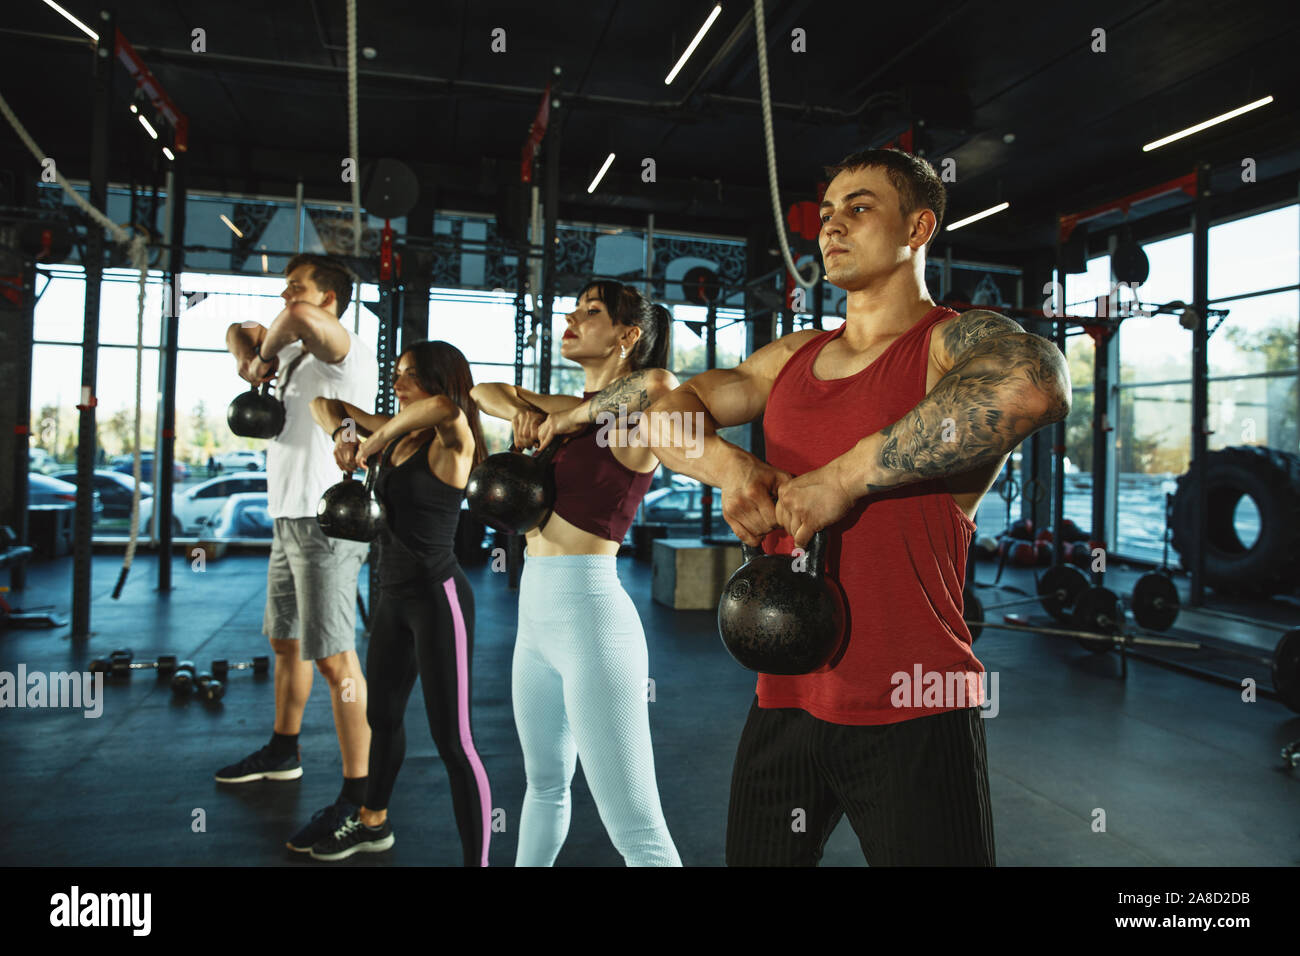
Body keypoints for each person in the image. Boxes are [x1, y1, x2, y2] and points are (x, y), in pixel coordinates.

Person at [649, 148, 1071, 866]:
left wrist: (844, 477)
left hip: (916, 703)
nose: (831, 226)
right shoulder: (789, 359)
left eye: (860, 207)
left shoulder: (947, 346)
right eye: (829, 210)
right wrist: (729, 467)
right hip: (783, 696)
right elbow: (664, 413)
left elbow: (1034, 384)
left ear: (918, 227)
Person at [470, 280, 682, 867]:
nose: (572, 317)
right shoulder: (563, 413)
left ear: (627, 335)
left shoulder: (636, 420)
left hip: (592, 621)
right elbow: (482, 390)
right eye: (574, 308)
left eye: (592, 312)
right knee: (542, 787)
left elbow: (660, 381)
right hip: (534, 622)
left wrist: (570, 418)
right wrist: (523, 411)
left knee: (637, 830)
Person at [306, 341, 493, 865]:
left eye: (409, 375)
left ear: (437, 378)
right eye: (395, 372)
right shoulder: (396, 436)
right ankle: (372, 823)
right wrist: (346, 435)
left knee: (454, 742)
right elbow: (325, 404)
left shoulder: (450, 440)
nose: (397, 382)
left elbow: (447, 407)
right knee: (382, 719)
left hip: (439, 600)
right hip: (391, 599)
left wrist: (375, 437)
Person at [217, 253, 379, 854]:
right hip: (287, 518)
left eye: (296, 288)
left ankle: (361, 802)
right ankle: (284, 750)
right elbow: (238, 327)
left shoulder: (342, 351)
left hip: (327, 524)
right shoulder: (290, 354)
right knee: (285, 643)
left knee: (336, 659)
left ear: (328, 299)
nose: (285, 296)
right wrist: (249, 355)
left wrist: (260, 358)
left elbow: (295, 318)